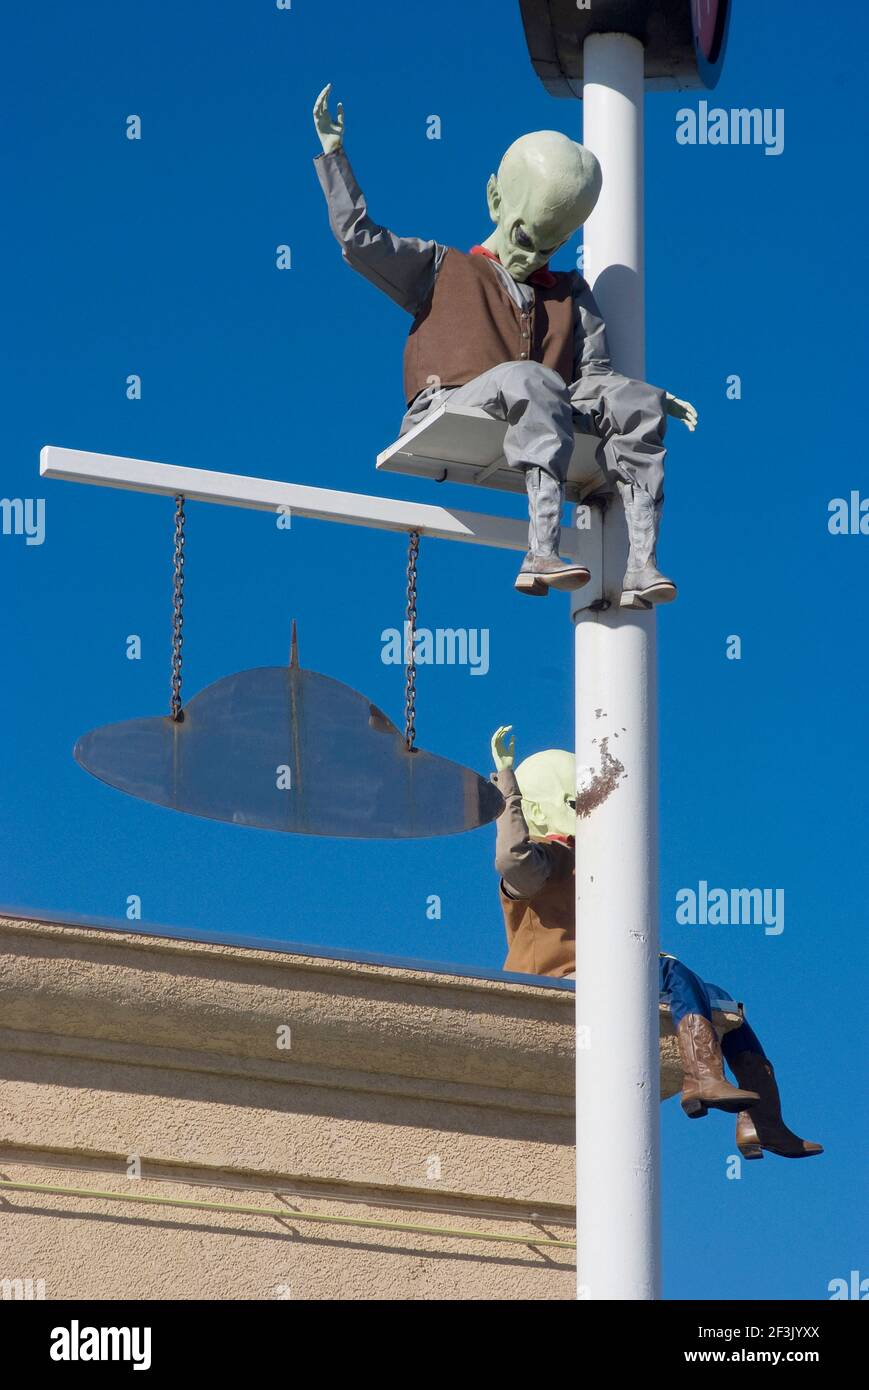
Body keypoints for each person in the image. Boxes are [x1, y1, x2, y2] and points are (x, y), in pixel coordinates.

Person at [313, 84, 698, 605]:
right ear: (496, 200)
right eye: (526, 237)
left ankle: (641, 564)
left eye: (552, 244)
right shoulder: (440, 267)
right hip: (452, 400)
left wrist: (647, 395)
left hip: (542, 405)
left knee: (636, 399)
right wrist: (334, 155)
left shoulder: (571, 294)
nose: (535, 255)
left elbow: (597, 375)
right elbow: (361, 242)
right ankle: (541, 551)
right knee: (534, 377)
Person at [490, 727, 823, 1160]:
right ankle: (701, 1077)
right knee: (669, 970)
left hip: (596, 973)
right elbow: (511, 860)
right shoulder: (545, 857)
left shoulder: (587, 863)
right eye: (577, 803)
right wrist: (508, 787)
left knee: (723, 1004)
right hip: (554, 980)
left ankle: (762, 1120)